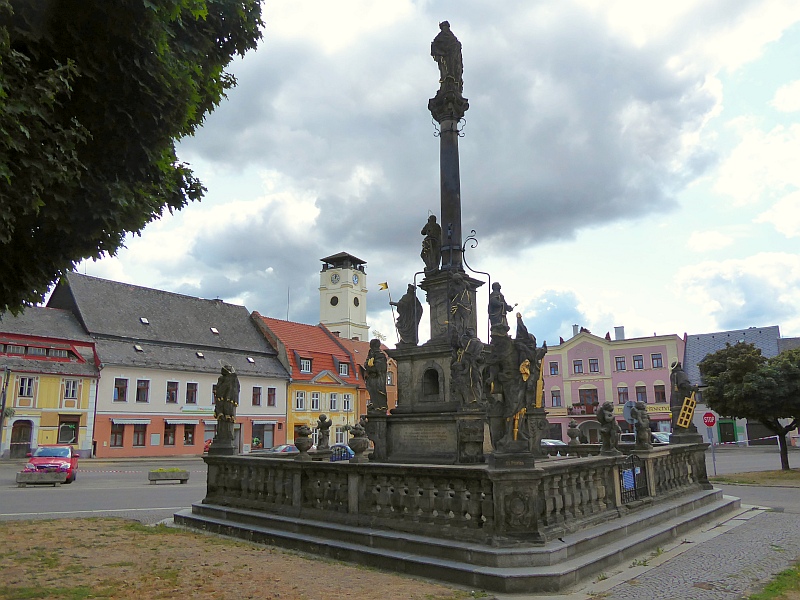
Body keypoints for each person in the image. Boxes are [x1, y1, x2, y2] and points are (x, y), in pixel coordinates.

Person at [361, 339, 388, 411]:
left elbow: (380, 367)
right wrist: (369, 367)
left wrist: (372, 368)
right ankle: (374, 403)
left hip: (378, 378)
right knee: (372, 390)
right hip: (371, 377)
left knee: (378, 391)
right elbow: (366, 364)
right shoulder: (370, 354)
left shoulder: (380, 355)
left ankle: (380, 406)